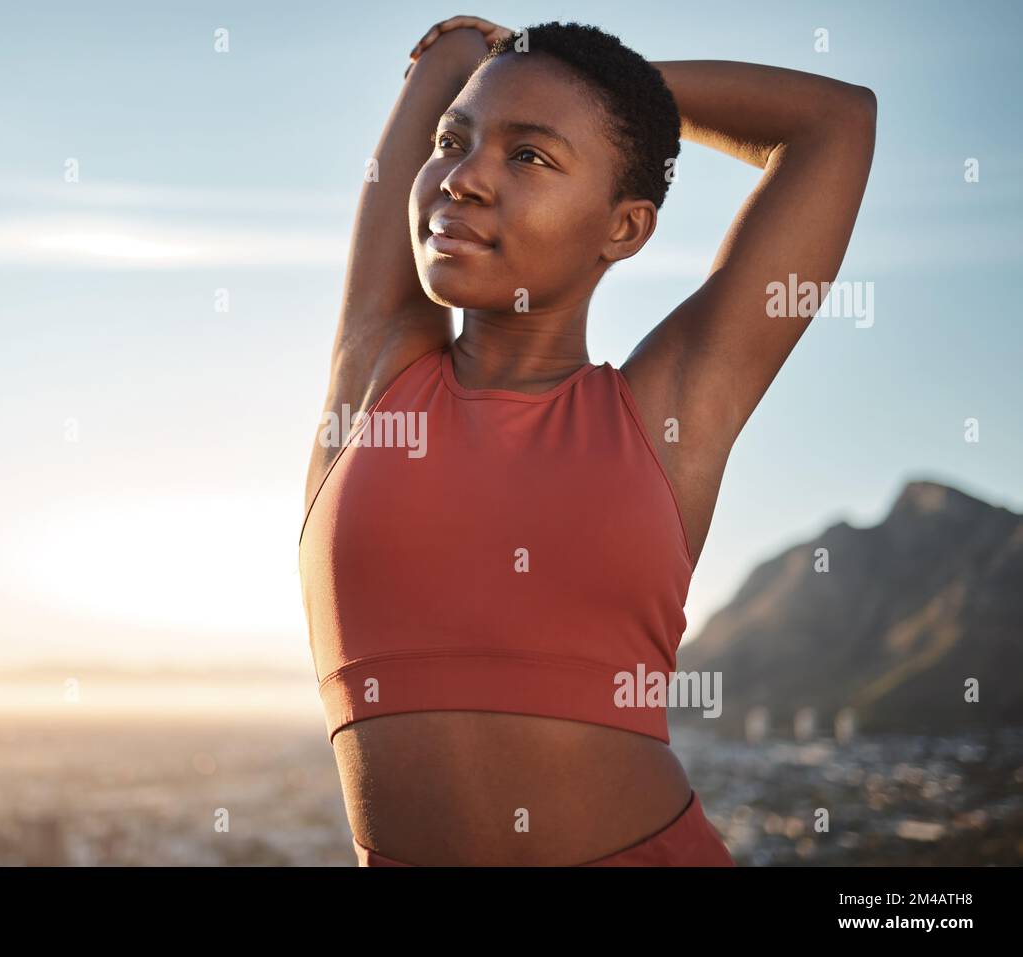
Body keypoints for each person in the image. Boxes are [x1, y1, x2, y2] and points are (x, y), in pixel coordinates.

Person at [298, 17, 875, 866]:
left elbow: (837, 122)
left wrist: (623, 98)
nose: (463, 178)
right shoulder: (376, 370)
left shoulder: (668, 416)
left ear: (625, 228)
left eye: (528, 156)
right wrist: (534, 83)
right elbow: (453, 56)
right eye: (454, 142)